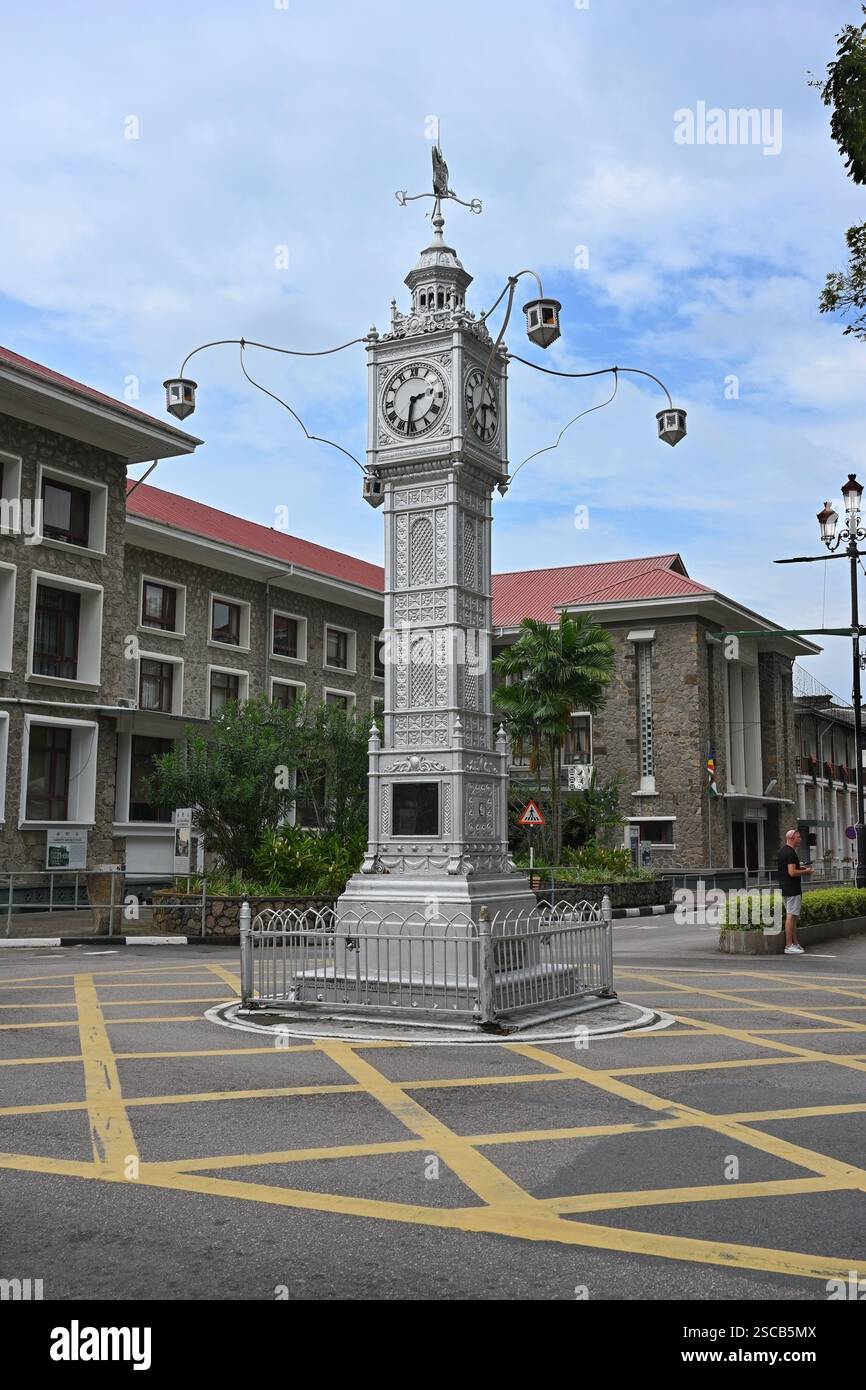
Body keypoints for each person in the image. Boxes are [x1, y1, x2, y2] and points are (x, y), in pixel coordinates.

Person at [777, 829, 813, 955]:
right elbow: (792, 873)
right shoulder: (791, 853)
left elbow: (788, 870)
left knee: (793, 916)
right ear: (792, 838)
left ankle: (795, 943)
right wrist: (805, 871)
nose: (800, 839)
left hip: (785, 888)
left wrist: (799, 868)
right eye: (798, 837)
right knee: (791, 916)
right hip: (792, 889)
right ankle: (789, 945)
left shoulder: (783, 851)